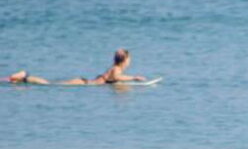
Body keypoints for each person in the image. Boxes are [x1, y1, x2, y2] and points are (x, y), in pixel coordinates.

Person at [4, 49, 146, 85]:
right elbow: (117, 77)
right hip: (84, 83)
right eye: (129, 59)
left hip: (84, 82)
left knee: (51, 83)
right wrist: (134, 78)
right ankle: (25, 76)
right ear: (124, 61)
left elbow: (116, 80)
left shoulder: (115, 68)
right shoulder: (116, 69)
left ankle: (22, 79)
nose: (130, 62)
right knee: (50, 84)